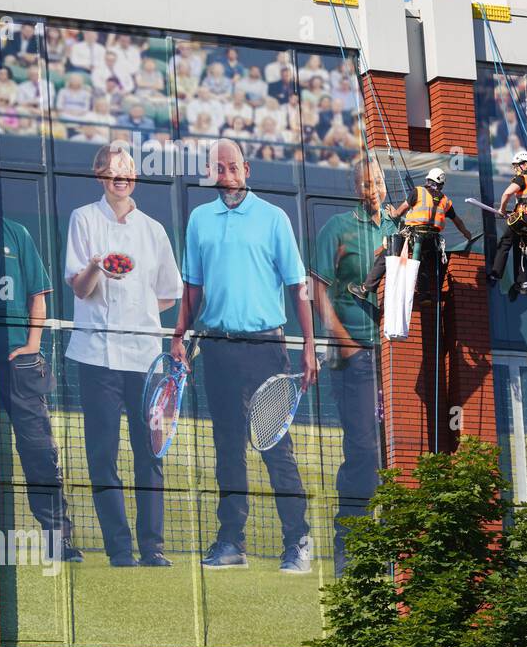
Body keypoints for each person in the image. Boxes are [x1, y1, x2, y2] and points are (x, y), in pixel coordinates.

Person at [171, 138, 318, 573]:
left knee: (275, 447)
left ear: (246, 169)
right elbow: (191, 288)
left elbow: (297, 287)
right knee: (227, 449)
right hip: (216, 348)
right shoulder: (199, 220)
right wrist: (178, 336)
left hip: (265, 349)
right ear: (212, 173)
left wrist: (309, 346)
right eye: (219, 168)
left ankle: (298, 541)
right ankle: (231, 543)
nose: (227, 173)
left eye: (232, 166)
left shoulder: (274, 218)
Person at [65, 144, 182, 567]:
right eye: (113, 171)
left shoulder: (153, 230)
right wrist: (99, 266)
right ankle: (119, 549)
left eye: (127, 171)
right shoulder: (84, 219)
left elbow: (167, 295)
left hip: (144, 359)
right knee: (102, 455)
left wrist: (140, 310)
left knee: (149, 454)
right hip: (95, 356)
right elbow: (79, 287)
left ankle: (152, 547)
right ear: (99, 176)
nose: (121, 177)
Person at [0, 161, 78, 561]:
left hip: (18, 365)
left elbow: (37, 296)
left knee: (39, 452)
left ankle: (59, 538)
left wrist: (32, 344)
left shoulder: (15, 233)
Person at [310, 154, 397, 574]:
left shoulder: (398, 227)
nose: (374, 190)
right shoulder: (337, 228)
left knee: (392, 456)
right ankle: (350, 546)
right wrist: (346, 345)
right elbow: (316, 291)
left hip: (393, 359)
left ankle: (389, 552)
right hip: (355, 359)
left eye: (378, 182)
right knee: (363, 452)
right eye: (366, 184)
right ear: (354, 188)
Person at [356, 167, 472, 305]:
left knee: (388, 252)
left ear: (428, 180)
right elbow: (457, 220)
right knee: (421, 260)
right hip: (432, 239)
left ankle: (366, 288)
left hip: (414, 234)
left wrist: (393, 212)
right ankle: (425, 295)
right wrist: (466, 233)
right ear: (441, 184)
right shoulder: (445, 201)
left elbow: (399, 212)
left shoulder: (418, 192)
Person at [489, 149, 527, 297]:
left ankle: (495, 275)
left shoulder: (523, 178)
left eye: (516, 166)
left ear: (524, 165)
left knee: (505, 241)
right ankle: (523, 283)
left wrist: (502, 209)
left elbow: (507, 193)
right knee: (520, 246)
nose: (515, 170)